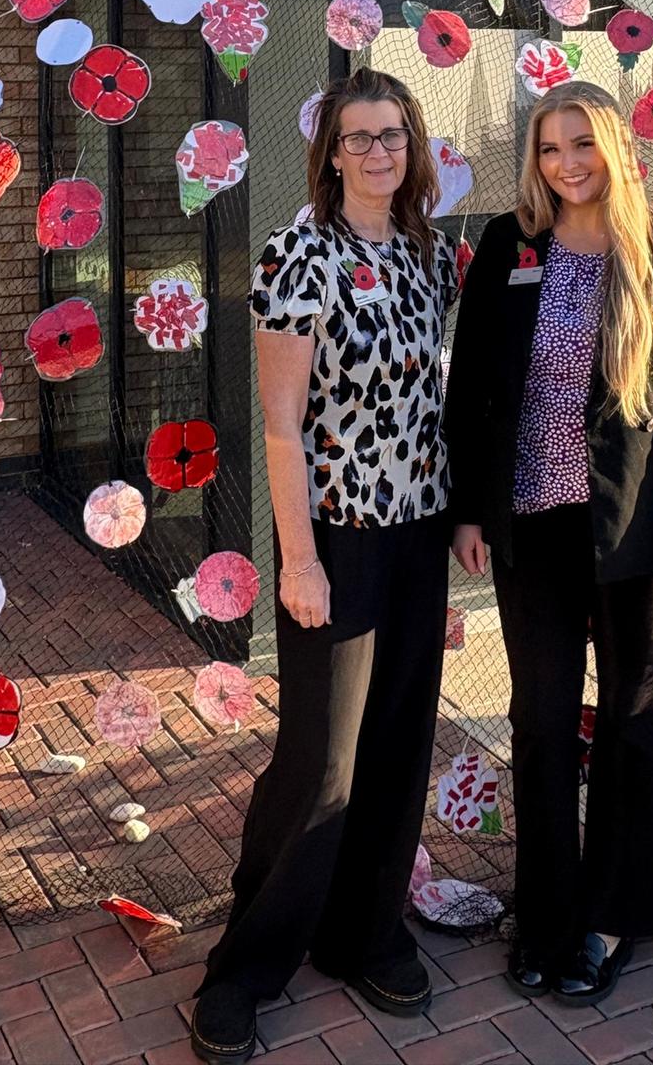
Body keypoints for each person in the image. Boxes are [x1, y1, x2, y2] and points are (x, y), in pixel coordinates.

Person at [192, 67, 459, 1065]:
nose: (379, 151)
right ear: (331, 151)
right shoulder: (299, 251)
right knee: (322, 761)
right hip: (336, 539)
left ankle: (365, 931)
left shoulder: (431, 253)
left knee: (398, 743)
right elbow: (278, 424)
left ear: (412, 143)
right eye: (360, 137)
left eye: (393, 133)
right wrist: (298, 558)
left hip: (419, 530)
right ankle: (243, 966)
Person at [445, 80, 653, 1007]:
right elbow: (471, 387)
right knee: (537, 721)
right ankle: (547, 913)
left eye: (581, 145)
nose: (566, 164)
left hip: (636, 537)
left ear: (612, 145)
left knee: (630, 722)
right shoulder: (508, 245)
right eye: (548, 149)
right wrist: (468, 511)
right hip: (530, 528)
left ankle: (611, 919)